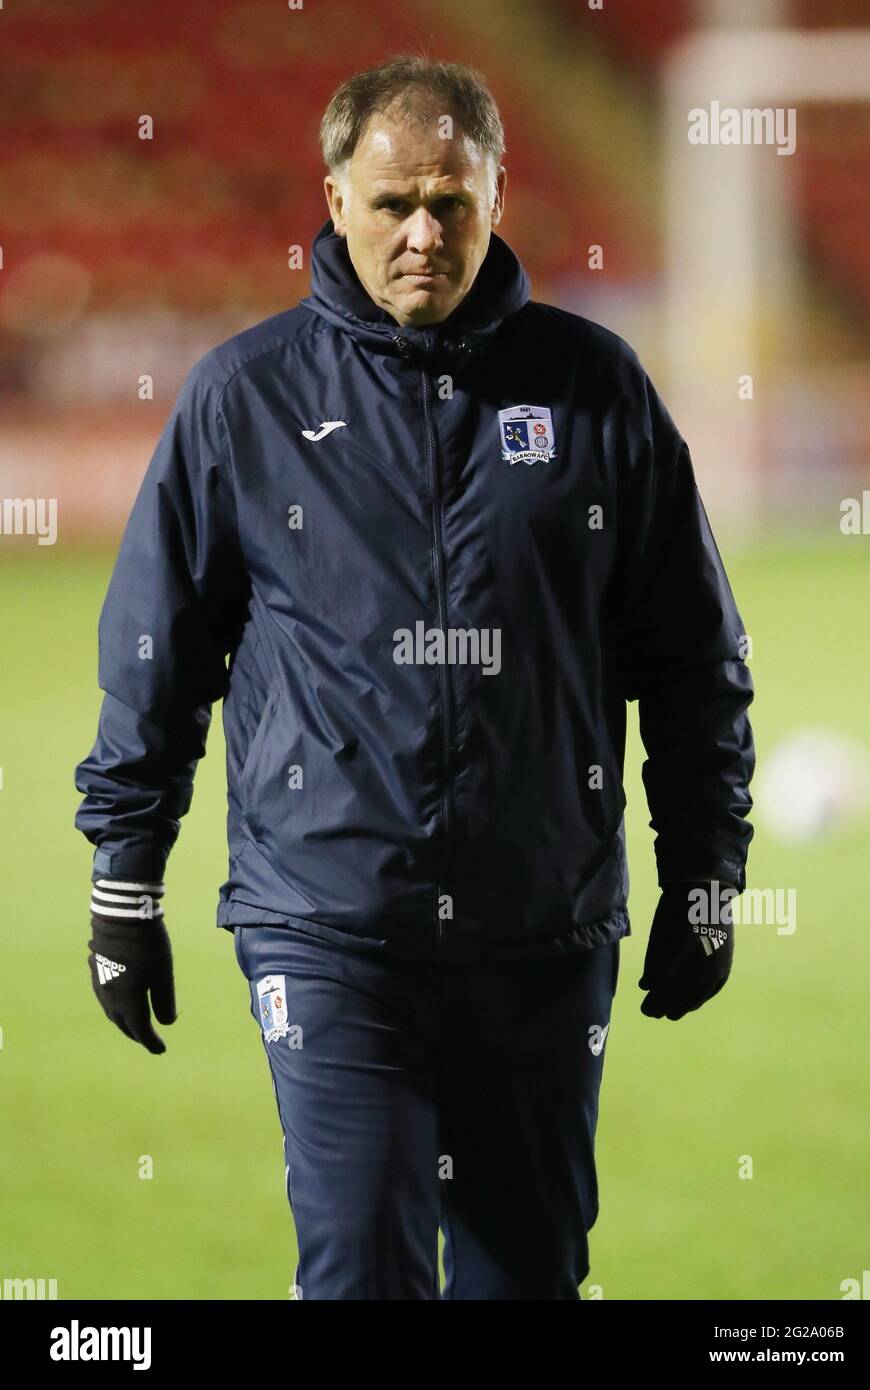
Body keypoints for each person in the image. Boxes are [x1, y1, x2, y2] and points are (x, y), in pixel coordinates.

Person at [74, 55, 755, 1300]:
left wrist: (708, 874)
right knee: (362, 1276)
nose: (424, 234)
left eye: (454, 200)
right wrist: (125, 881)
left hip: (542, 928)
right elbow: (156, 655)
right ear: (333, 199)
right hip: (327, 924)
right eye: (393, 204)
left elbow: (692, 656)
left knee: (526, 1280)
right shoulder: (245, 399)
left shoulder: (595, 389)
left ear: (502, 192)